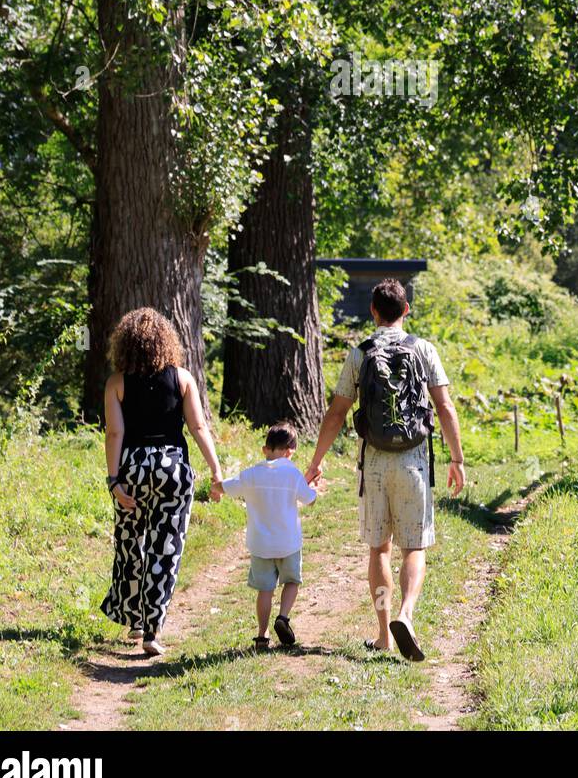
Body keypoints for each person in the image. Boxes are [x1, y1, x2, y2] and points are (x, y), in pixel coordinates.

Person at [305, 278, 465, 661]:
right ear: (406, 310)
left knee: (379, 548)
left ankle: (383, 634)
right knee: (414, 546)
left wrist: (316, 461)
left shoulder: (360, 353)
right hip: (413, 462)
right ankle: (406, 614)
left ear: (373, 312)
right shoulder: (424, 349)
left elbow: (337, 412)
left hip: (374, 463)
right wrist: (456, 458)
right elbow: (444, 407)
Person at [100, 307, 223, 657]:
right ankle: (153, 630)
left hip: (134, 469)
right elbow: (199, 428)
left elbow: (114, 433)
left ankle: (134, 620)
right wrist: (215, 470)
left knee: (130, 543)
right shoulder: (183, 378)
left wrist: (114, 481)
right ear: (165, 342)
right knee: (165, 549)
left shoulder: (117, 382)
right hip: (173, 469)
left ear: (125, 345)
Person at [211, 422, 317, 652]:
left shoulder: (251, 475)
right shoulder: (293, 473)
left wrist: (214, 487)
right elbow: (309, 499)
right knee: (291, 582)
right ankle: (283, 617)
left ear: (264, 449)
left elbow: (225, 487)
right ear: (291, 451)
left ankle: (262, 635)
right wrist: (313, 484)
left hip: (260, 545)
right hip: (288, 543)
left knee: (265, 590)